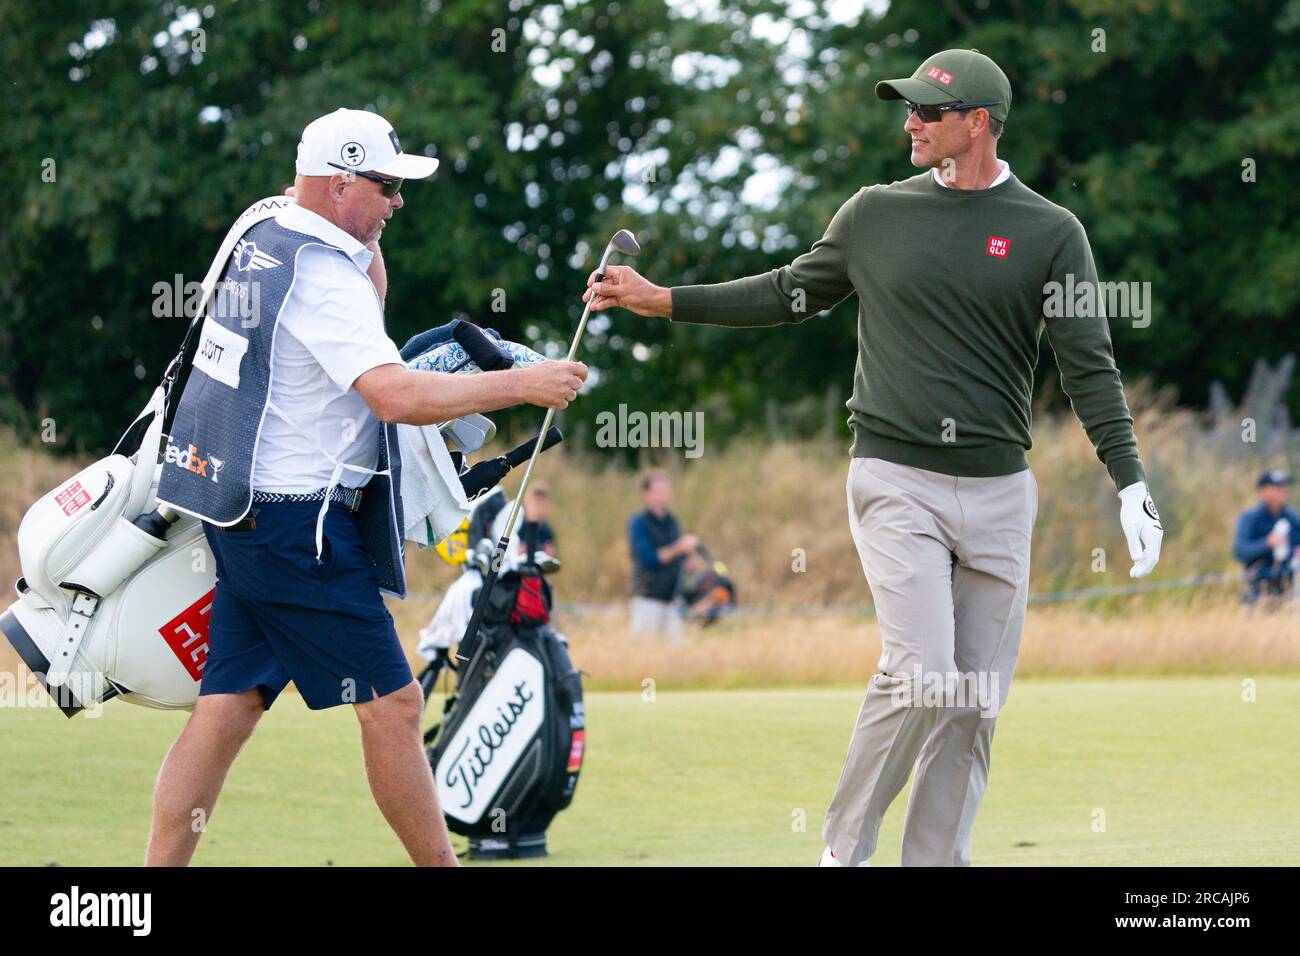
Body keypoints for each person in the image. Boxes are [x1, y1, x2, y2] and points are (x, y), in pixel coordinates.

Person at [583, 49, 1164, 866]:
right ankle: (843, 854)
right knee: (923, 672)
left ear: (978, 123)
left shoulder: (1050, 232)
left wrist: (1129, 478)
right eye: (910, 109)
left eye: (929, 111)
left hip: (1000, 493)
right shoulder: (875, 213)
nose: (911, 123)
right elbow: (790, 292)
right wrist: (661, 299)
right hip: (895, 481)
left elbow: (1089, 366)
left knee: (971, 703)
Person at [148, 108, 587, 867]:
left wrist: (368, 244)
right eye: (386, 186)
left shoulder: (270, 235)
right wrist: (525, 384)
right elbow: (393, 395)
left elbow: (358, 331)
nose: (398, 201)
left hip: (246, 513)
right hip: (300, 530)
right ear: (339, 181)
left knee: (227, 710)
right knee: (394, 703)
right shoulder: (321, 275)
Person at [626, 469, 696, 640]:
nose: (664, 495)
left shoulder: (672, 522)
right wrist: (679, 547)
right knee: (644, 656)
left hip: (672, 600)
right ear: (646, 494)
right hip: (647, 600)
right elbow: (649, 559)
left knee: (676, 656)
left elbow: (675, 558)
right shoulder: (638, 523)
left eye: (666, 490)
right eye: (659, 491)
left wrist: (687, 564)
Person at [1233, 469, 1300, 604]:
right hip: (1258, 593)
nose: (1283, 491)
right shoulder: (1250, 518)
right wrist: (1266, 543)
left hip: (1289, 591)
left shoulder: (1292, 518)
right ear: (1263, 491)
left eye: (1283, 487)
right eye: (1277, 488)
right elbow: (1240, 551)